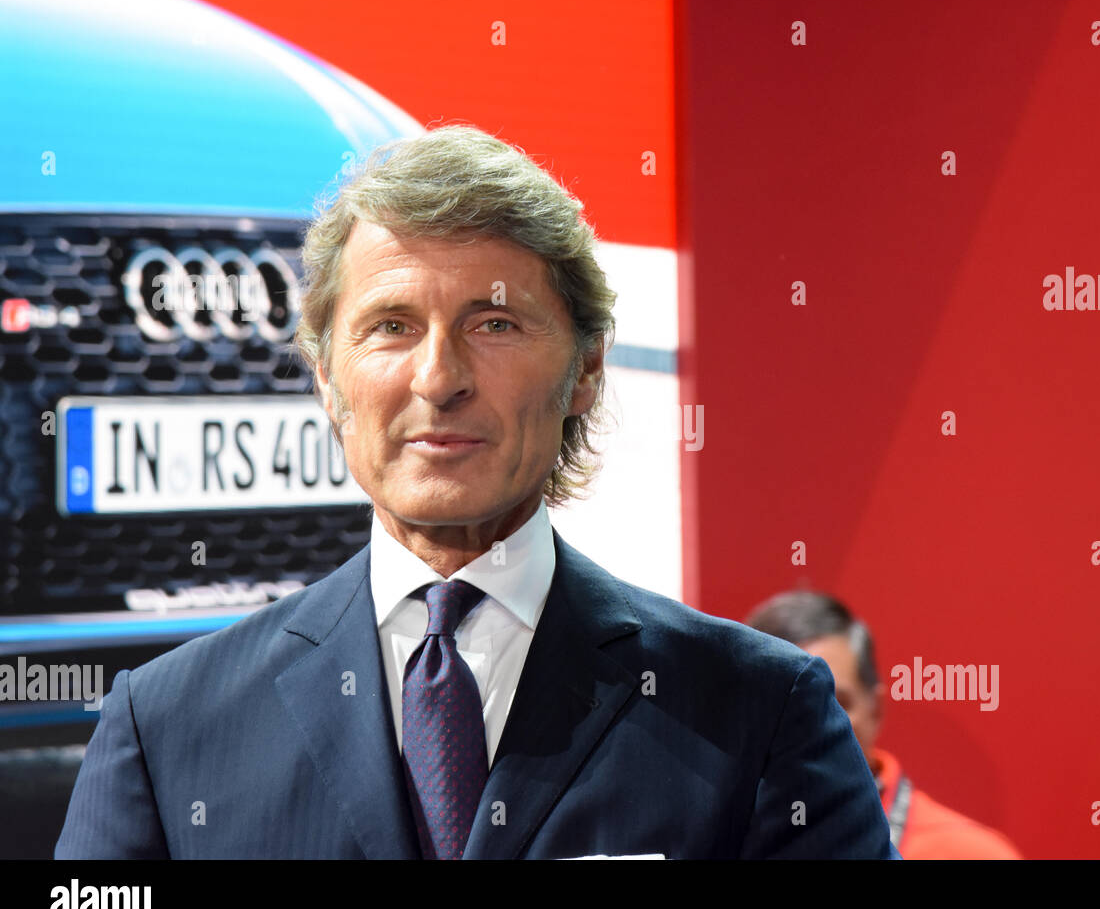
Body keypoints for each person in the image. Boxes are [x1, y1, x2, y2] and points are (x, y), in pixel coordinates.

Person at [56, 125, 896, 859]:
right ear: (325, 379)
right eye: (391, 326)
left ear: (586, 371)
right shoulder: (166, 726)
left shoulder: (759, 711)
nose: (438, 379)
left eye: (492, 324)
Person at [746, 590, 1022, 859]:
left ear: (875, 710)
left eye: (829, 704)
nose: (799, 730)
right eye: (775, 707)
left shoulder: (971, 854)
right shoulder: (711, 841)